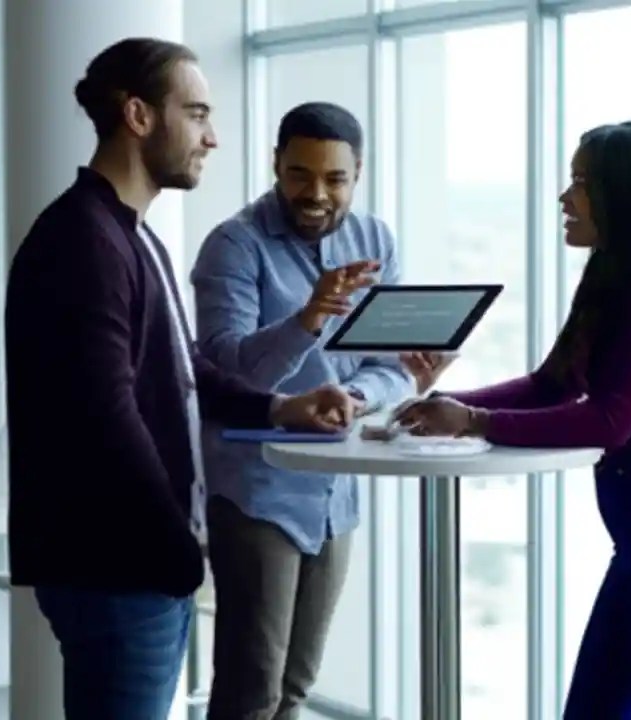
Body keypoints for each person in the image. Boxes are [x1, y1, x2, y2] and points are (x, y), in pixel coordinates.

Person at [4, 39, 354, 720]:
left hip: (133, 565)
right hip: (118, 567)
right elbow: (106, 416)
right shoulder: (86, 242)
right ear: (138, 116)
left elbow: (185, 368)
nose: (212, 137)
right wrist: (176, 548)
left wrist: (283, 407)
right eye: (195, 114)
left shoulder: (129, 234)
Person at [395, 121, 631, 719]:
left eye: (582, 183)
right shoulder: (611, 274)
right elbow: (551, 384)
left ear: (629, 191)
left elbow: (611, 420)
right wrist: (445, 408)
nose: (566, 198)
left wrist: (472, 421)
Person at [190, 101, 449, 719]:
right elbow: (226, 373)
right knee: (252, 691)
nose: (316, 194)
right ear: (275, 165)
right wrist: (309, 318)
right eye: (299, 174)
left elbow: (388, 368)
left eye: (335, 179)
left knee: (296, 689)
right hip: (258, 489)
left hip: (336, 496)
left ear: (357, 173)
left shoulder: (375, 240)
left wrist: (358, 397)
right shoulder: (234, 246)